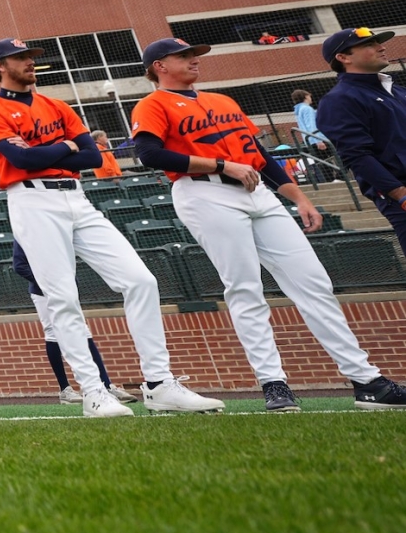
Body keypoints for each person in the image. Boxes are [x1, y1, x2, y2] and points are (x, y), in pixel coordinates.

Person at [135, 38, 406, 410]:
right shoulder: (152, 103)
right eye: (183, 56)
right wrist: (220, 165)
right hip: (204, 191)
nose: (194, 60)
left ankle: (366, 381)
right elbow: (149, 153)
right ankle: (273, 383)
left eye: (194, 54)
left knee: (314, 282)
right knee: (245, 288)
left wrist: (299, 198)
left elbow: (260, 154)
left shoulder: (223, 101)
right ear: (159, 66)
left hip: (258, 191)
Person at [0, 38, 223, 417]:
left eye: (30, 57)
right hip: (31, 200)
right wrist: (66, 148)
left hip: (77, 197)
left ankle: (158, 384)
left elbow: (92, 155)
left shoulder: (57, 106)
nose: (29, 62)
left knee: (141, 281)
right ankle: (93, 392)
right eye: (19, 58)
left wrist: (61, 151)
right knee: (63, 297)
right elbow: (22, 158)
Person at [315, 27, 406, 270]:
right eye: (369, 44)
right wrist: (400, 194)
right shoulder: (339, 100)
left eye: (379, 42)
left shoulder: (397, 91)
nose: (381, 47)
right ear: (343, 58)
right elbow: (357, 156)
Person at [8, 242, 130, 404]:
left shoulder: (58, 229)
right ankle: (65, 389)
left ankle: (106, 385)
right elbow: (19, 266)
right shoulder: (25, 233)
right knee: (52, 333)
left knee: (83, 331)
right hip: (43, 293)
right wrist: (49, 284)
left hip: (68, 290)